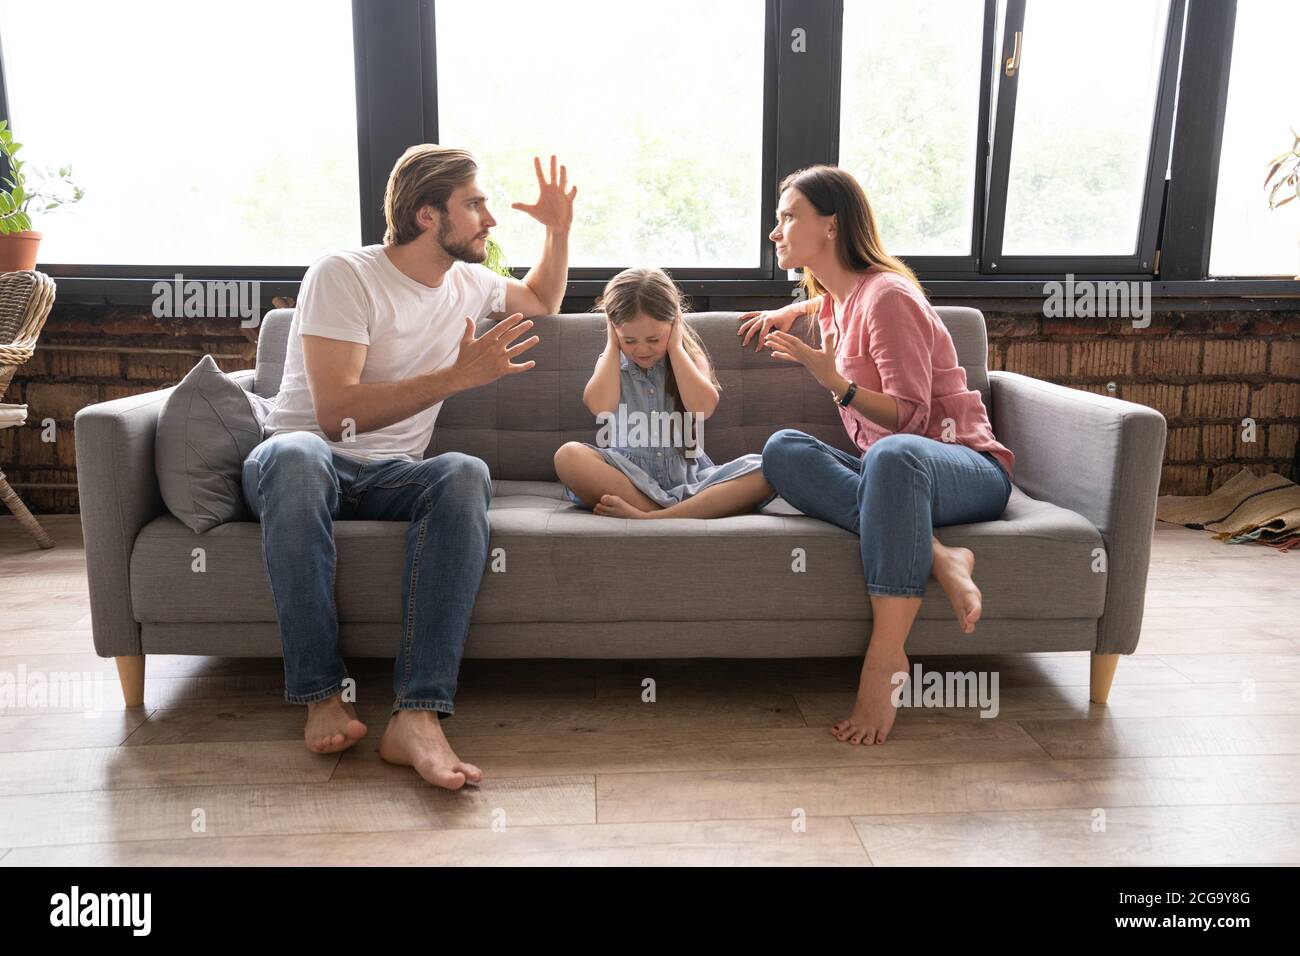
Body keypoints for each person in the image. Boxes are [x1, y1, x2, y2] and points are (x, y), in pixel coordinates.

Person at [245, 147, 575, 789]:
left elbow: (541, 300)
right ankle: (319, 694)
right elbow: (336, 411)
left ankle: (417, 716)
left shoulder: (471, 283)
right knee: (297, 452)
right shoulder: (344, 274)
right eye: (475, 204)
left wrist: (558, 230)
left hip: (392, 475)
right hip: (304, 466)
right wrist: (457, 376)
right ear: (428, 215)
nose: (489, 219)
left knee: (462, 471)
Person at [740, 164, 1015, 747]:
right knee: (783, 450)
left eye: (788, 217)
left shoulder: (888, 297)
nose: (776, 232)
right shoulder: (836, 302)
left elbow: (913, 418)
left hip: (963, 464)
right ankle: (942, 556)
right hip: (892, 472)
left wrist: (832, 380)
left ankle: (886, 659)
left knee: (890, 455)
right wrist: (793, 311)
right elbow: (830, 306)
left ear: (831, 226)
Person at [555, 267, 775, 519]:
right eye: (630, 341)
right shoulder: (611, 363)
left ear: (674, 323)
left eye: (654, 339)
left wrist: (676, 348)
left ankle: (653, 517)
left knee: (768, 469)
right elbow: (599, 406)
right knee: (568, 456)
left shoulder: (690, 359)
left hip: (689, 479)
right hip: (628, 481)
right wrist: (613, 344)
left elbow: (703, 408)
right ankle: (676, 513)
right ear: (615, 329)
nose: (642, 349)